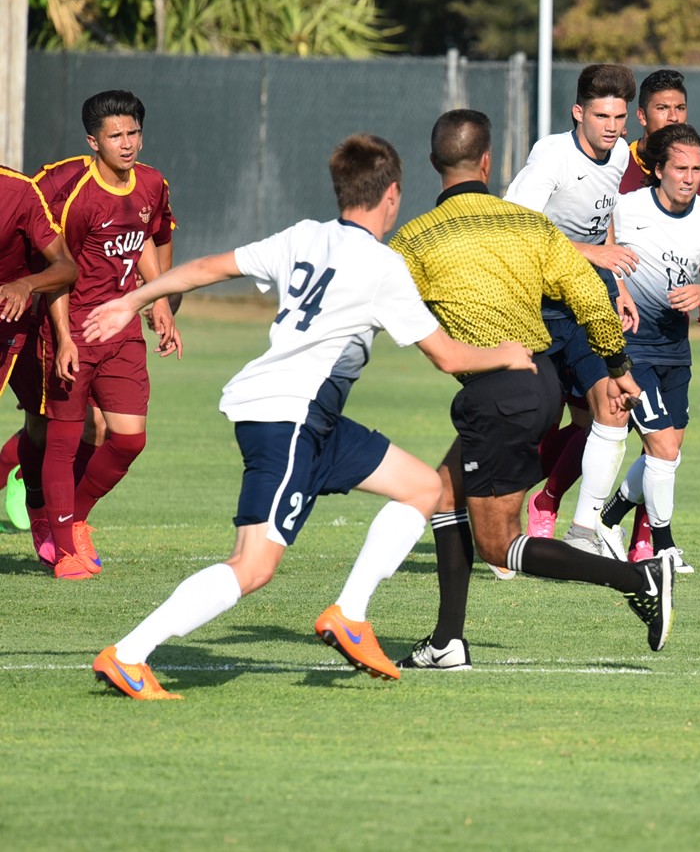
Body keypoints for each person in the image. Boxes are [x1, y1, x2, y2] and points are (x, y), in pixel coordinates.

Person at [87, 133, 538, 700]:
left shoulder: (303, 236)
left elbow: (207, 267)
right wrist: (507, 353)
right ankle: (130, 653)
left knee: (424, 488)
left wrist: (131, 300)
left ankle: (350, 613)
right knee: (253, 566)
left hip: (310, 419)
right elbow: (447, 355)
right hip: (291, 418)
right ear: (392, 195)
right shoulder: (382, 266)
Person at [389, 110, 670, 670]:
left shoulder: (415, 239)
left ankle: (637, 578)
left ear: (433, 162)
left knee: (499, 544)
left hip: (496, 394)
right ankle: (446, 642)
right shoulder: (528, 225)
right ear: (487, 161)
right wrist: (617, 364)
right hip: (539, 382)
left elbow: (372, 299)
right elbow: (588, 295)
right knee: (444, 495)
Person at [33, 90, 181, 579]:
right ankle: (63, 550)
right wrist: (62, 337)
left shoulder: (152, 183)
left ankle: (74, 519)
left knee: (129, 440)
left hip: (121, 328)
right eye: (115, 136)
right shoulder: (75, 194)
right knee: (62, 440)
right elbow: (57, 271)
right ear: (93, 141)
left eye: (133, 132)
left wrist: (159, 300)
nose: (127, 143)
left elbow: (144, 239)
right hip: (73, 327)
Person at [503, 63, 641, 553]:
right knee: (534, 422)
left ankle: (583, 532)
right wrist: (590, 253)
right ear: (578, 112)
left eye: (619, 117)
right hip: (537, 306)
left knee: (611, 406)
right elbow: (516, 229)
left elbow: (604, 221)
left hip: (586, 301)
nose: (612, 127)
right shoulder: (551, 157)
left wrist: (616, 283)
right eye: (602, 116)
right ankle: (494, 515)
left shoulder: (620, 153)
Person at [595, 123, 700, 575]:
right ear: (659, 170)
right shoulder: (627, 207)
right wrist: (617, 287)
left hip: (676, 349)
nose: (689, 178)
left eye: (696, 169)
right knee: (663, 448)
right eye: (680, 169)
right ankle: (663, 546)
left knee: (668, 450)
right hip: (632, 345)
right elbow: (601, 249)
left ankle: (607, 521)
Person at [0, 169, 80, 535]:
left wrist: (26, 284)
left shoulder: (20, 192)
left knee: (48, 423)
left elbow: (65, 266)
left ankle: (33, 494)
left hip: (18, 324)